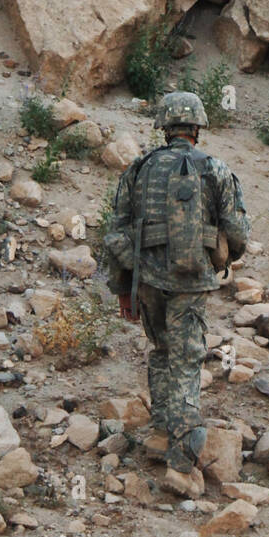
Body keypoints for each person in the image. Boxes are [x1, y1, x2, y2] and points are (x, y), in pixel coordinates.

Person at [102, 91, 250, 497]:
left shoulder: (139, 168)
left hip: (146, 279)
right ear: (197, 129)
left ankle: (161, 431)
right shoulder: (214, 168)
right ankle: (183, 456)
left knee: (162, 351)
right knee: (187, 358)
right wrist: (224, 258)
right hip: (192, 281)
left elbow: (116, 231)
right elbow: (237, 231)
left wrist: (123, 287)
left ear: (164, 128)